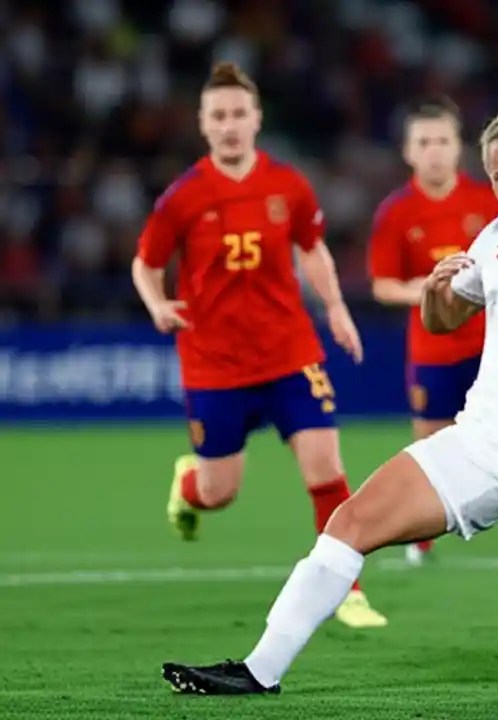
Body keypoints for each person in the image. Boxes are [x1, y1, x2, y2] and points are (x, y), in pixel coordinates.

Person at [160, 102, 498, 695]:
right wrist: (435, 293)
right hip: (483, 438)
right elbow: (445, 319)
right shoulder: (494, 239)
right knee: (351, 521)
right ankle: (259, 669)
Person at [131, 62, 386, 629]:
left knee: (325, 468)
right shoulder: (183, 198)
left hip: (290, 353)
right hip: (215, 365)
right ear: (204, 124)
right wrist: (156, 304)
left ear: (257, 119)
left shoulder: (288, 186)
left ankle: (346, 590)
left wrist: (335, 308)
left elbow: (311, 248)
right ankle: (189, 486)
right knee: (219, 492)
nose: (229, 125)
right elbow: (145, 264)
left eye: (238, 114)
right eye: (218, 116)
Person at [368, 99, 498, 565]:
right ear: (408, 151)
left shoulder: (487, 202)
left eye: (442, 141)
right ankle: (420, 534)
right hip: (433, 349)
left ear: (458, 147)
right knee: (432, 448)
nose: (434, 151)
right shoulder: (396, 212)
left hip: (491, 347)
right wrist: (429, 291)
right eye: (424, 142)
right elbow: (382, 285)